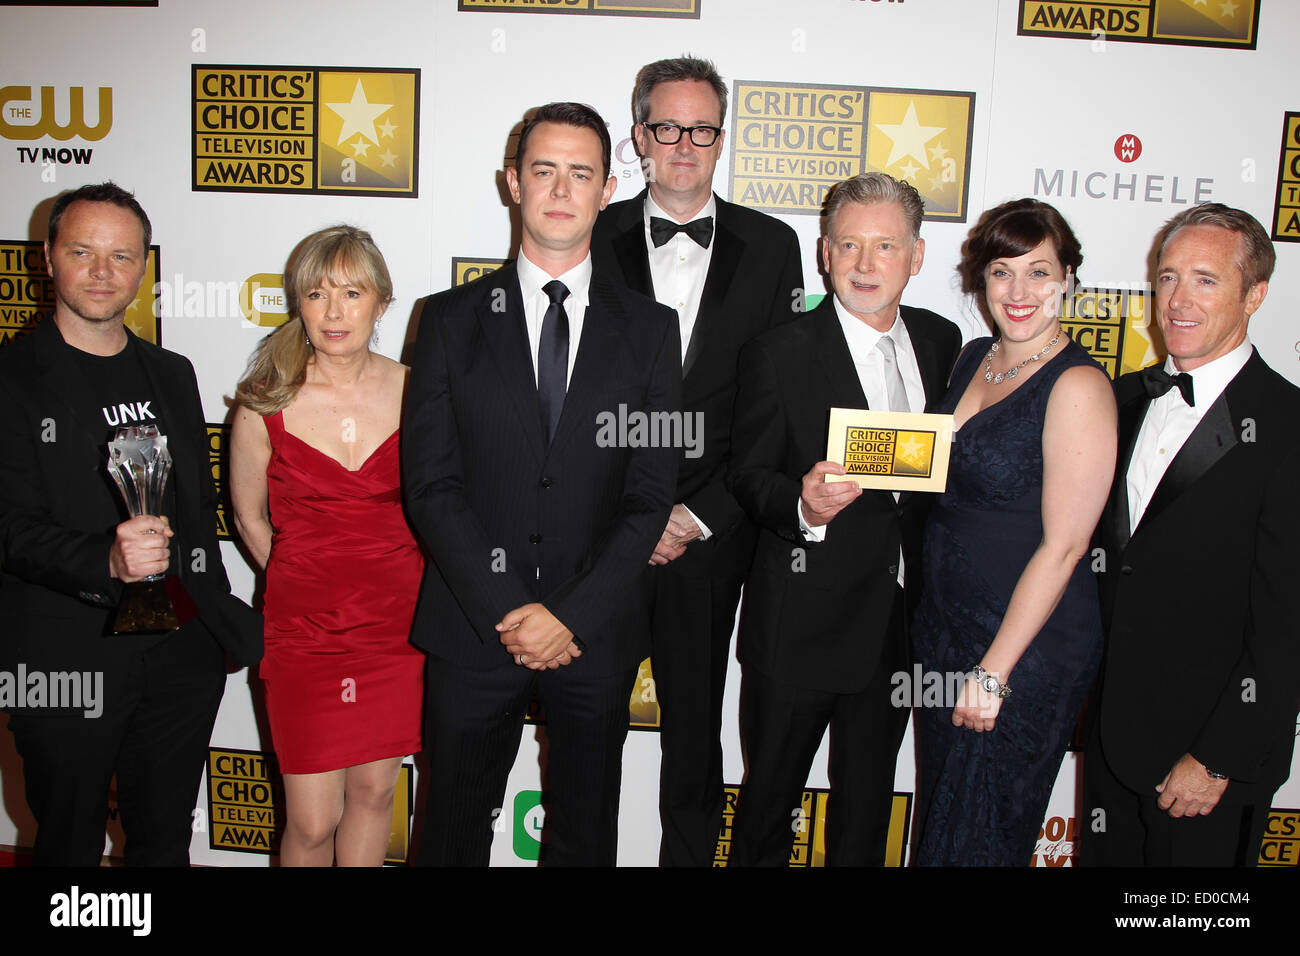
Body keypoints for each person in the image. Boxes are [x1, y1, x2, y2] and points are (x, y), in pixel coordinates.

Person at [404, 102, 681, 866]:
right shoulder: (449, 320)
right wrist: (510, 610)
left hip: (593, 632)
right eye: (544, 170)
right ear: (512, 183)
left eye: (581, 173)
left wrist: (569, 614)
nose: (562, 189)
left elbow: (649, 493)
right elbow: (431, 485)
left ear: (608, 189)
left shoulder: (652, 330)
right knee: (450, 835)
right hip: (472, 623)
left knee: (583, 840)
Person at [0, 182, 262, 866]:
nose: (101, 271)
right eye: (83, 251)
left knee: (163, 839)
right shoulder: (11, 378)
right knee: (66, 842)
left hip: (178, 649)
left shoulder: (171, 371)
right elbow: (7, 526)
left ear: (143, 267)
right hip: (65, 653)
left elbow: (195, 511)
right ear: (49, 257)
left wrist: (209, 619)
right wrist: (104, 561)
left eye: (121, 256)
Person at [591, 54, 803, 867]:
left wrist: (698, 513)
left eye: (702, 128)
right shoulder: (591, 234)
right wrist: (631, 516)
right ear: (639, 134)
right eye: (668, 127)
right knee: (587, 726)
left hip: (713, 535)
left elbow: (775, 403)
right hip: (600, 530)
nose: (685, 143)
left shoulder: (773, 244)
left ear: (721, 138)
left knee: (695, 730)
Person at [727, 173, 961, 866]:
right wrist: (803, 506)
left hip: (900, 631)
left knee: (865, 818)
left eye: (885, 245)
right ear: (823, 253)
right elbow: (746, 476)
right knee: (768, 807)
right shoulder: (778, 351)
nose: (865, 264)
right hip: (799, 623)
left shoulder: (944, 341)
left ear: (916, 257)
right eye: (849, 245)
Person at [1081, 203, 1300, 867]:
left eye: (1206, 280)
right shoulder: (1118, 399)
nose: (1177, 300)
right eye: (1168, 277)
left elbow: (1288, 624)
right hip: (1111, 740)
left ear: (1254, 295)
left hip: (1207, 763)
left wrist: (1219, 757)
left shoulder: (1287, 425)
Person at [909, 198, 1116, 866]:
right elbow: (937, 470)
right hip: (945, 627)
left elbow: (1065, 546)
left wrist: (994, 672)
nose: (1019, 292)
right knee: (943, 816)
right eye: (1002, 272)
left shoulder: (1078, 384)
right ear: (982, 281)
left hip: (1022, 647)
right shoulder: (973, 358)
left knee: (983, 833)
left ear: (1068, 279)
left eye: (1039, 271)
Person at [229, 225, 422, 867]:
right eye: (316, 294)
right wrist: (299, 575)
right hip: (305, 635)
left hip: (396, 630)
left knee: (373, 795)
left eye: (351, 292)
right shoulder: (264, 404)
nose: (334, 312)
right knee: (311, 821)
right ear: (298, 304)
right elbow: (249, 518)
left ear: (382, 302)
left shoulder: (419, 392)